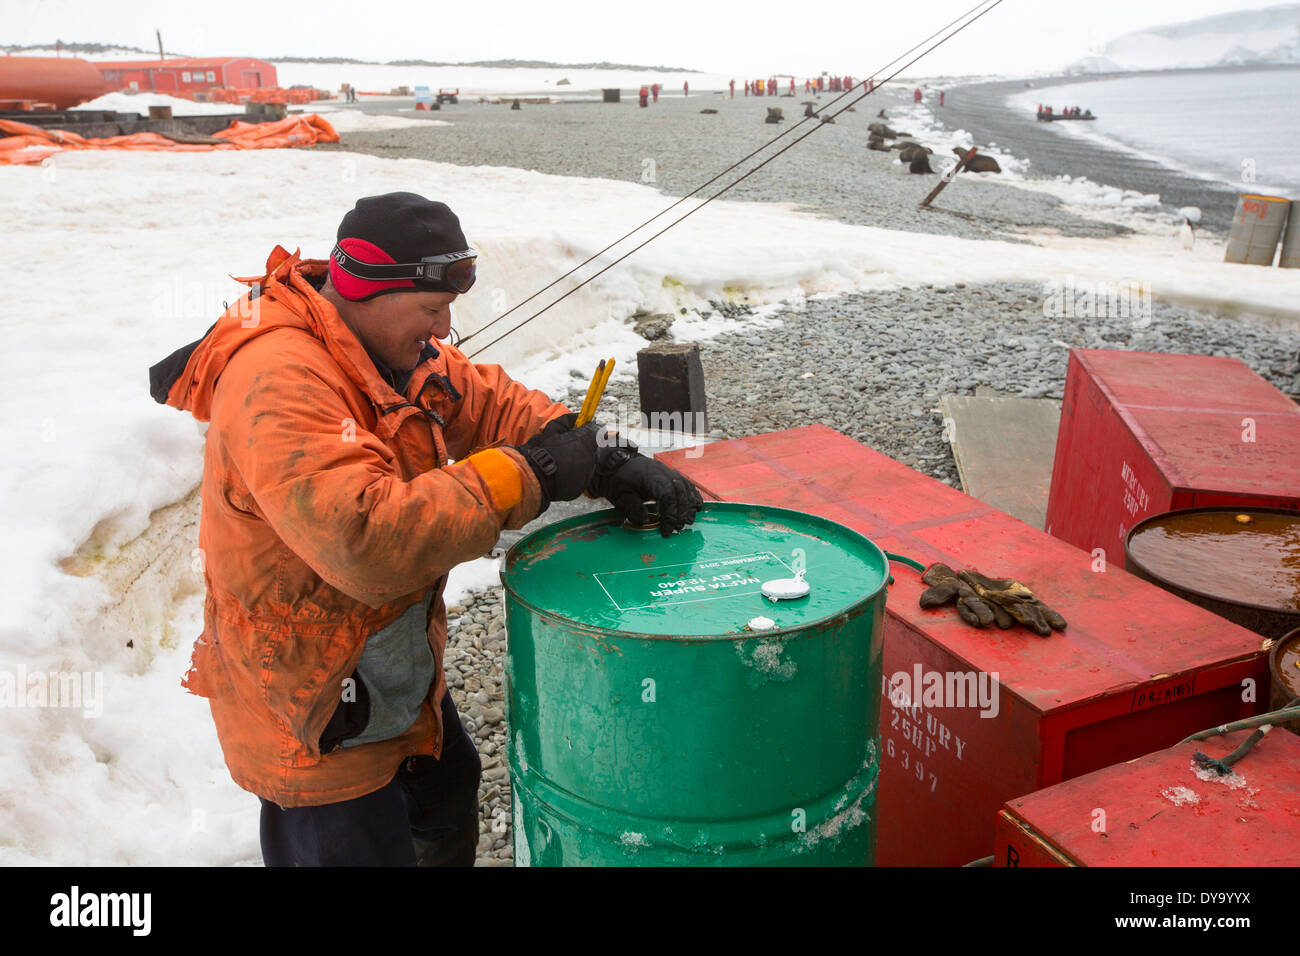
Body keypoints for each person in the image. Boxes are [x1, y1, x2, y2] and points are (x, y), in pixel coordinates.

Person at [148, 192, 703, 866]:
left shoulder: (381, 344)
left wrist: (602, 459)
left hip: (389, 664)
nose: (441, 331)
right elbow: (364, 539)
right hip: (314, 698)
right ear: (364, 291)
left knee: (446, 795)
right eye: (431, 312)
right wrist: (527, 474)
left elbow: (485, 399)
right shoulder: (281, 378)